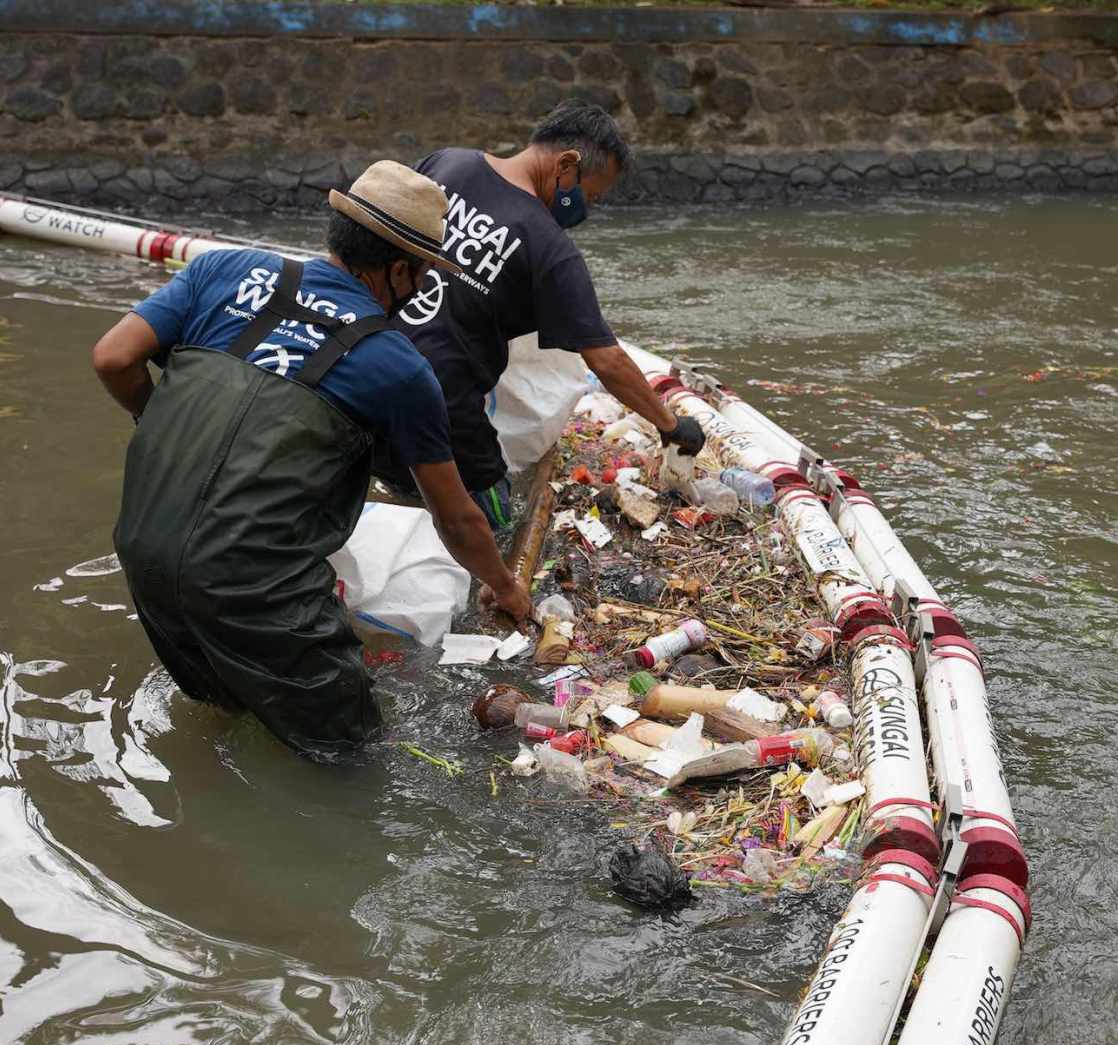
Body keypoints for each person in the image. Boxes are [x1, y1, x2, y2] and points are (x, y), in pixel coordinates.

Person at [92, 161, 532, 762]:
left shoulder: (221, 269)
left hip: (143, 546)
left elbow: (113, 357)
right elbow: (455, 518)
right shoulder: (397, 367)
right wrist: (505, 586)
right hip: (255, 583)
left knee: (226, 712)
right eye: (424, 274)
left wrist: (158, 421)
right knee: (350, 754)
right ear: (401, 271)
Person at [375, 100, 705, 529]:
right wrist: (670, 423)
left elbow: (373, 235)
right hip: (443, 410)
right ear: (566, 166)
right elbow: (606, 359)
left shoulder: (446, 164)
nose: (585, 210)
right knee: (496, 516)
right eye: (591, 195)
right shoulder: (550, 249)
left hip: (363, 370)